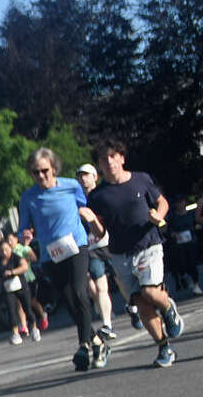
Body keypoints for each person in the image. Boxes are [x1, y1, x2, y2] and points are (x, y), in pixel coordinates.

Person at [86, 140, 183, 367]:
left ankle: (169, 309)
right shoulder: (98, 196)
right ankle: (164, 348)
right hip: (120, 254)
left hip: (148, 245)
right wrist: (91, 220)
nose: (109, 162)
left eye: (112, 156)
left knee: (150, 292)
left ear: (122, 158)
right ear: (99, 165)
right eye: (103, 159)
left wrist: (159, 216)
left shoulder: (141, 179)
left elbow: (162, 202)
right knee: (142, 304)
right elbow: (100, 234)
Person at [16, 147, 105, 370]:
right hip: (51, 254)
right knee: (68, 300)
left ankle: (83, 346)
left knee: (79, 291)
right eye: (35, 173)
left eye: (44, 171)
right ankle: (97, 341)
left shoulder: (71, 186)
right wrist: (25, 235)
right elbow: (22, 228)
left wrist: (88, 216)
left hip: (76, 244)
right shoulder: (28, 197)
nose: (41, 176)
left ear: (54, 168)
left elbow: (84, 207)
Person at [74, 163, 117, 338]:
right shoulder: (75, 199)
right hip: (91, 248)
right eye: (80, 176)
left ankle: (134, 306)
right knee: (100, 286)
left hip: (109, 243)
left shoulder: (103, 194)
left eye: (86, 175)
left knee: (121, 279)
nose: (83, 179)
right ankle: (107, 323)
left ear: (94, 177)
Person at [0, 229, 43, 344]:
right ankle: (15, 333)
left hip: (21, 285)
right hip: (8, 289)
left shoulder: (16, 257)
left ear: (10, 249)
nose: (4, 252)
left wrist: (13, 272)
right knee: (11, 310)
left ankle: (34, 328)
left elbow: (24, 267)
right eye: (2, 250)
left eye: (6, 249)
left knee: (27, 307)